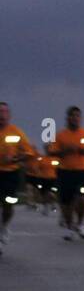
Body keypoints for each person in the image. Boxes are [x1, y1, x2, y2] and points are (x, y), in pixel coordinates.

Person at [52, 106, 84, 240]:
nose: (75, 118)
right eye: (73, 116)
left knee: (81, 198)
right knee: (66, 203)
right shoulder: (61, 135)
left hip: (82, 171)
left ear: (80, 118)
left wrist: (83, 150)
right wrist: (65, 150)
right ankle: (69, 227)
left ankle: (81, 223)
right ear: (68, 118)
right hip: (65, 172)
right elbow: (52, 151)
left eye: (78, 116)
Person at [0, 102, 35, 249]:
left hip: (11, 173)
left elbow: (28, 152)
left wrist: (15, 158)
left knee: (8, 204)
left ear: (9, 115)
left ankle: (4, 226)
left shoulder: (16, 132)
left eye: (4, 112)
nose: (1, 115)